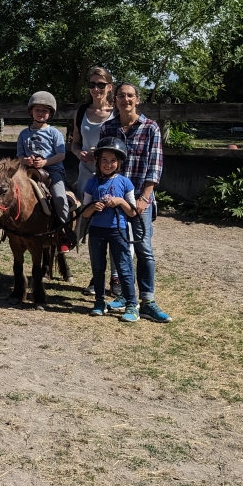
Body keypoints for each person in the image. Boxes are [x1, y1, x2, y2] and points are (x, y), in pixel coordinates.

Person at [99, 82, 172, 323]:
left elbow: (155, 166)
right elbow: (102, 163)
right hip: (114, 199)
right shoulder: (108, 127)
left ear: (137, 100)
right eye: (121, 96)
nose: (126, 99)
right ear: (115, 100)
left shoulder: (150, 128)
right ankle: (125, 295)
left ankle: (148, 300)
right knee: (120, 249)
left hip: (140, 199)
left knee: (143, 249)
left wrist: (144, 197)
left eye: (130, 95)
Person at [69, 66, 117, 296]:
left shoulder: (117, 111)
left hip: (111, 176)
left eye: (101, 84)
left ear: (109, 86)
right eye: (92, 84)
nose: (96, 89)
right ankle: (96, 276)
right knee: (91, 225)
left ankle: (116, 277)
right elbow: (75, 143)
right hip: (87, 176)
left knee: (114, 225)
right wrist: (79, 153)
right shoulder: (81, 112)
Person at [81, 136, 139, 322]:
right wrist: (93, 207)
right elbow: (85, 213)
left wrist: (120, 201)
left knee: (124, 267)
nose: (108, 164)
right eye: (104, 160)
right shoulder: (91, 183)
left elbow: (132, 212)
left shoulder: (125, 182)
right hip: (97, 231)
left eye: (113, 160)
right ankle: (99, 301)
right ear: (98, 160)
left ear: (119, 162)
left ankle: (131, 304)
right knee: (98, 267)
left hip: (118, 231)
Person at [17, 91, 70, 252]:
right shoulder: (23, 134)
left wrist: (45, 162)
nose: (40, 113)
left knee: (59, 199)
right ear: (31, 111)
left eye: (44, 110)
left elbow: (61, 155)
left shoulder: (55, 133)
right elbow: (20, 156)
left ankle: (64, 232)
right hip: (29, 170)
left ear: (50, 113)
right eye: (37, 109)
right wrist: (26, 161)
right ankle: (9, 227)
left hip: (52, 170)